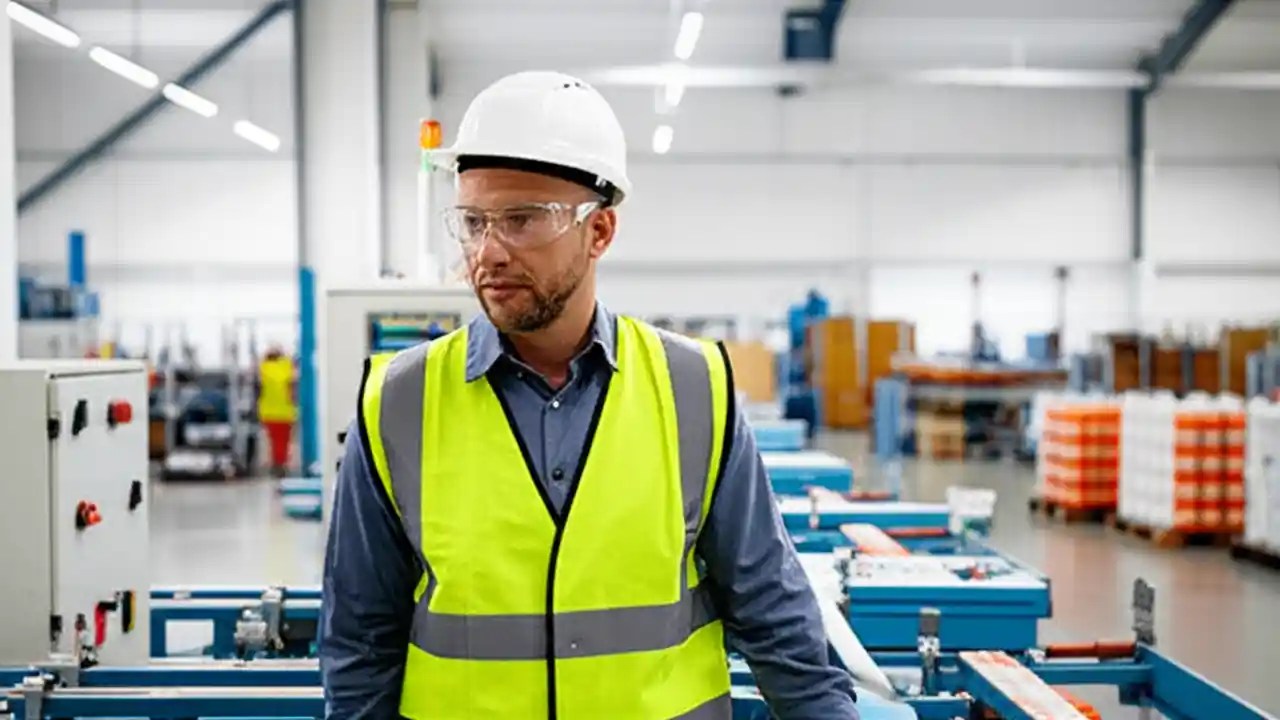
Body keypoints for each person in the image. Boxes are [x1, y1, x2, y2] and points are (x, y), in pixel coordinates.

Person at [320, 71, 859, 719]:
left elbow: (774, 611)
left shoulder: (693, 390)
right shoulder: (399, 403)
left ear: (600, 231)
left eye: (521, 220)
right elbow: (359, 642)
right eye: (471, 221)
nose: (487, 253)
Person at [257, 346, 296, 478]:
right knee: (284, 442)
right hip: (286, 412)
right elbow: (292, 388)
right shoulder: (287, 367)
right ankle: (282, 464)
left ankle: (275, 464)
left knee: (273, 441)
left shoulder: (263, 368)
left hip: (268, 412)